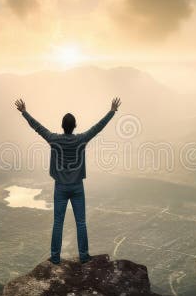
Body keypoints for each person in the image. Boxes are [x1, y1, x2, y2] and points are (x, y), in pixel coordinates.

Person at [15, 97, 121, 264]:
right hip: (77, 187)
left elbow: (37, 127)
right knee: (81, 223)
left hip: (60, 188)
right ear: (75, 126)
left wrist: (24, 112)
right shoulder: (81, 139)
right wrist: (112, 111)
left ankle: (55, 258)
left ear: (62, 126)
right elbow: (98, 128)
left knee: (58, 223)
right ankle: (84, 256)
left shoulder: (54, 139)